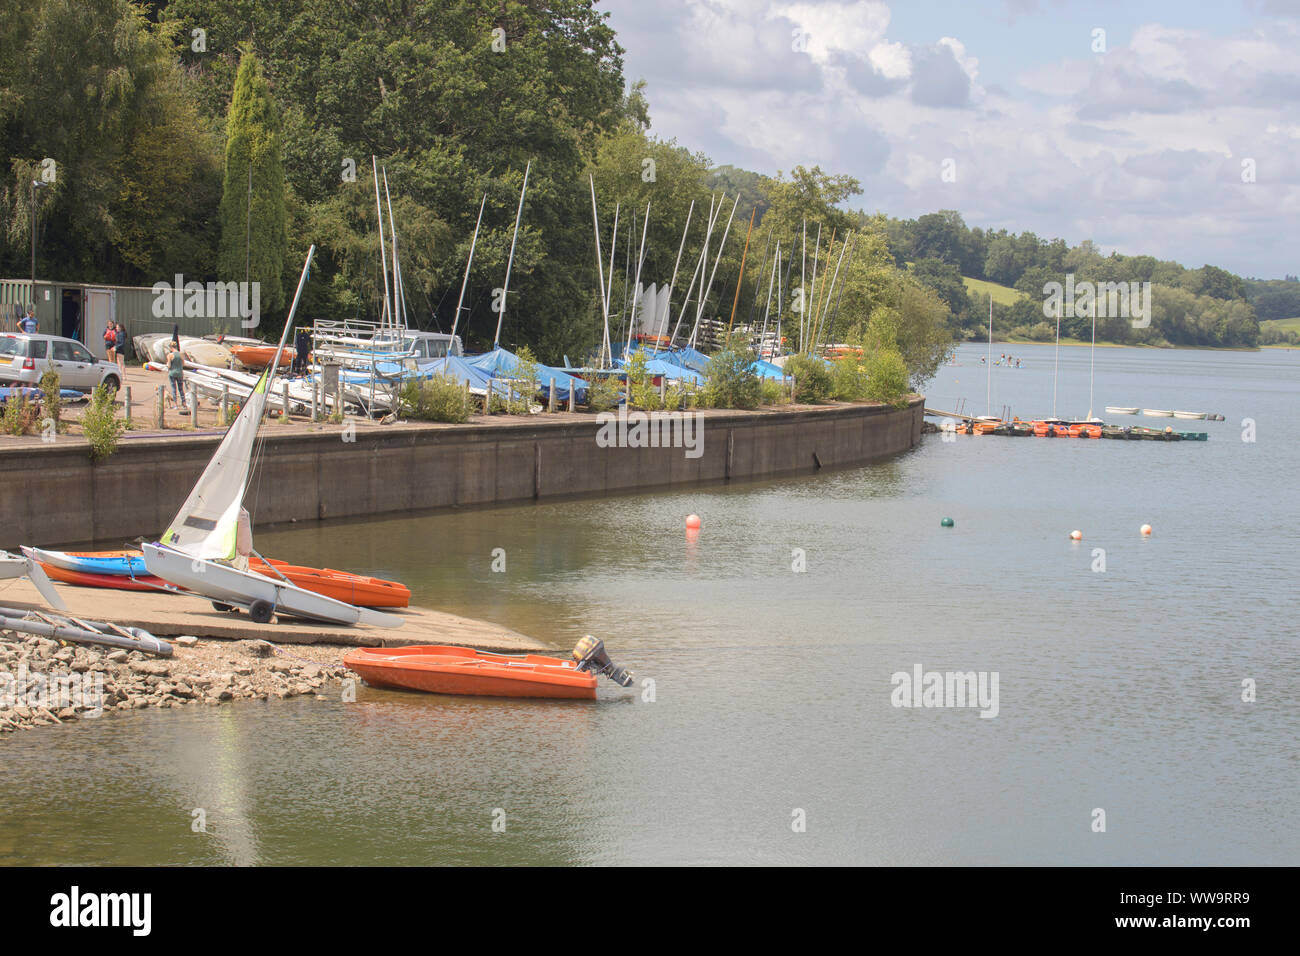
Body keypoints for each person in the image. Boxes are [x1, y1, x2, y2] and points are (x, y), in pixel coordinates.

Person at [167, 342, 185, 410]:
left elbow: (169, 365)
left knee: (174, 389)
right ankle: (184, 404)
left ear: (171, 347)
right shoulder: (181, 354)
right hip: (180, 373)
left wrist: (168, 366)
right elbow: (183, 364)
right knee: (181, 389)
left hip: (172, 373)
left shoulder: (170, 355)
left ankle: (176, 405)